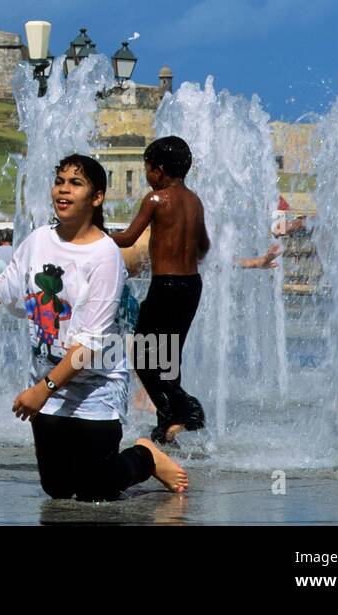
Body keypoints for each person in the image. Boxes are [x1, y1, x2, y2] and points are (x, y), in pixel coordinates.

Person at [0, 154, 187, 499]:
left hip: (95, 388)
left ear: (97, 196)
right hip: (48, 384)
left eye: (75, 183)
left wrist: (41, 389)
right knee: (57, 488)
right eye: (60, 181)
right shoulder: (38, 240)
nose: (63, 189)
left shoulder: (104, 255)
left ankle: (146, 456)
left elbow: (90, 345)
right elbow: (4, 286)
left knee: (96, 489)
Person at [110, 136, 210, 446]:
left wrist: (96, 233)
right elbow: (204, 247)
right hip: (191, 286)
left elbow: (127, 238)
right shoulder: (195, 201)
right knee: (169, 355)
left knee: (141, 355)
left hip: (165, 285)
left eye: (147, 169)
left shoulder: (155, 200)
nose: (147, 176)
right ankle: (167, 424)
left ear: (160, 170)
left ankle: (186, 410)